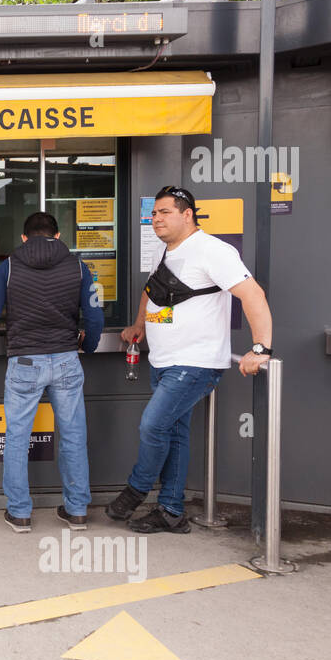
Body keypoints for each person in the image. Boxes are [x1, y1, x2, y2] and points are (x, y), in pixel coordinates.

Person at [107, 186, 273, 534]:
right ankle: (170, 511)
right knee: (175, 433)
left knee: (153, 425)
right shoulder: (162, 251)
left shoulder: (213, 251)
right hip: (165, 359)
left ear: (188, 214)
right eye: (154, 214)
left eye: (165, 212)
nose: (156, 219)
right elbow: (151, 291)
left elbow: (252, 294)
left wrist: (260, 348)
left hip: (195, 362)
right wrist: (140, 325)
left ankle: (136, 490)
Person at [0, 212, 103, 533]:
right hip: (65, 360)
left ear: (23, 238)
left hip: (24, 362)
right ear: (58, 235)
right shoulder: (78, 267)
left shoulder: (8, 266)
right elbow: (94, 317)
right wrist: (87, 348)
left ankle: (20, 513)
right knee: (74, 436)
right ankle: (76, 511)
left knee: (17, 437)